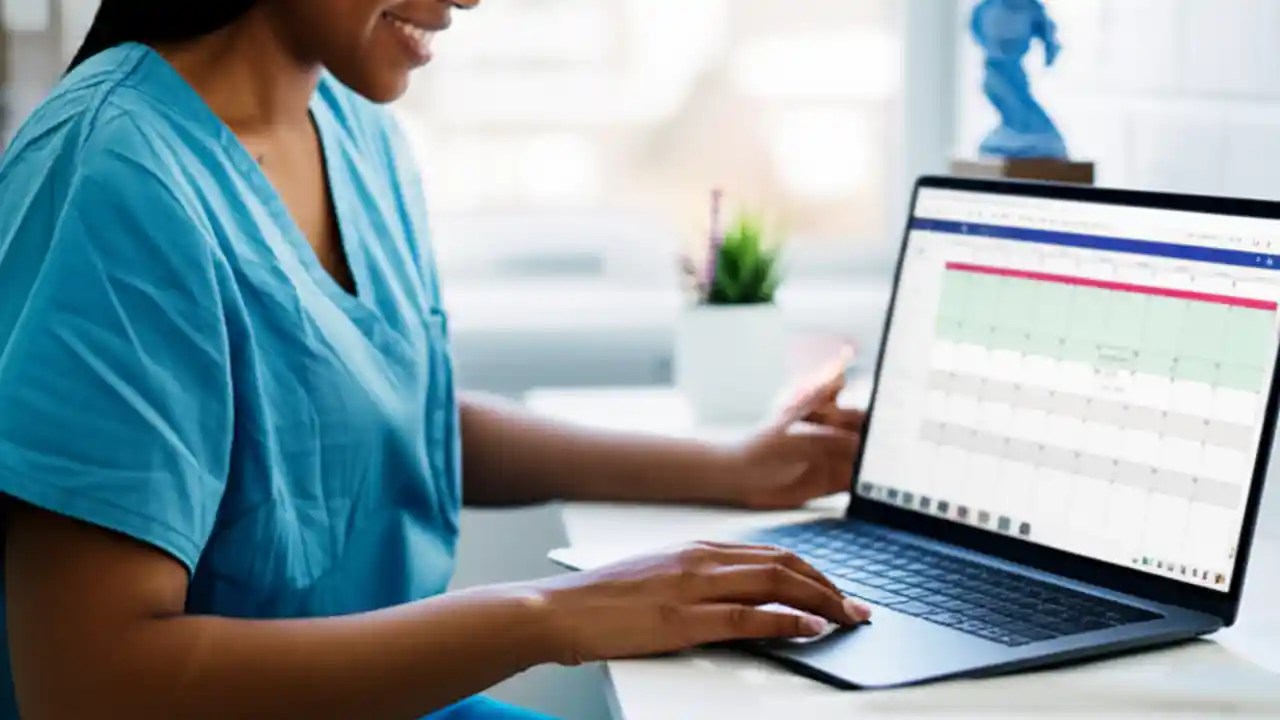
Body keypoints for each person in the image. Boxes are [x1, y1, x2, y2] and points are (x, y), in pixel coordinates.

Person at [0, 1, 871, 718]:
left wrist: (735, 469)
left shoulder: (352, 126)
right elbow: (88, 685)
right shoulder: (113, 175)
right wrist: (551, 615)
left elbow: (397, 414)